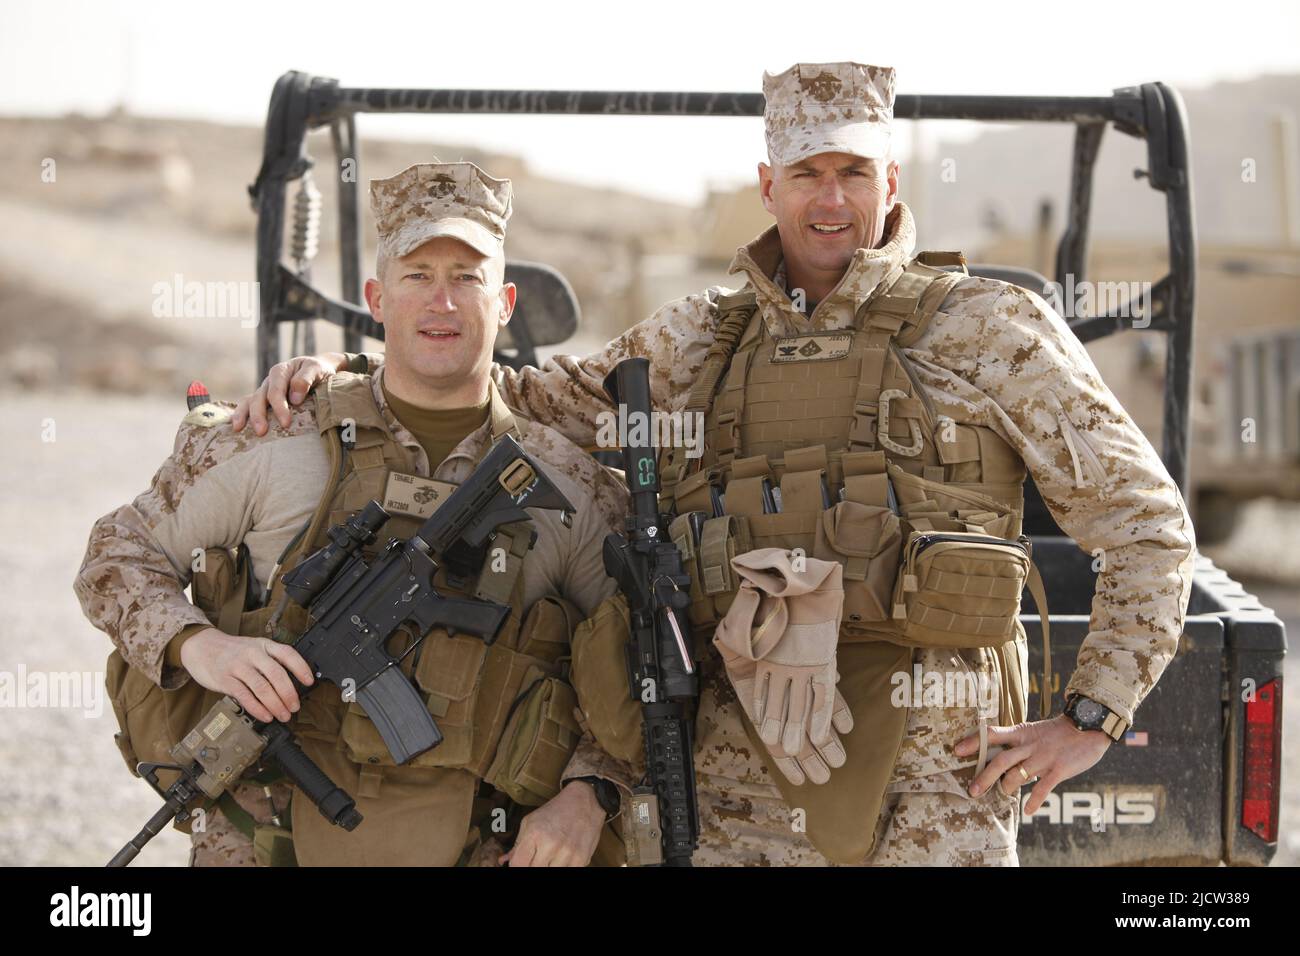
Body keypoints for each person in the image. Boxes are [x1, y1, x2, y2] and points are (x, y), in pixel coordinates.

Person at [235, 62, 1196, 866]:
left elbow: (1144, 524)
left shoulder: (992, 330)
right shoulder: (703, 336)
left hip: (940, 763)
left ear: (890, 184)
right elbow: (539, 397)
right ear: (767, 184)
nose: (831, 199)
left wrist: (1092, 714)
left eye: (853, 173)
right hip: (747, 758)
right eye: (806, 172)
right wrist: (352, 371)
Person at [76, 160, 633, 867]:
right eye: (417, 276)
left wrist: (589, 792)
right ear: (375, 296)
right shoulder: (276, 438)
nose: (442, 302)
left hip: (486, 843)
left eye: (467, 277)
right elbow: (115, 552)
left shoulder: (564, 481)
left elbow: (649, 658)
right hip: (267, 841)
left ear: (506, 303)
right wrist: (200, 645)